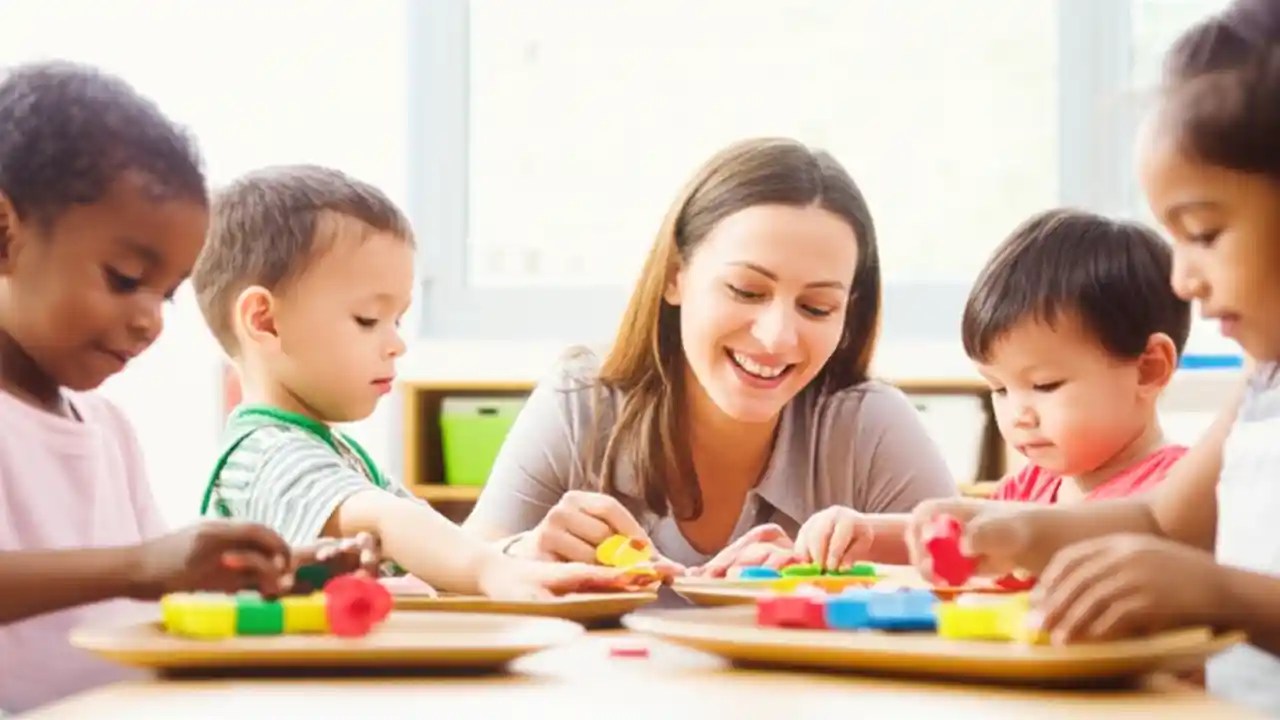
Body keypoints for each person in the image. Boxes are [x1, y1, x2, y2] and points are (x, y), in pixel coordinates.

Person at [905, 1, 1280, 714]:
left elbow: (1181, 555)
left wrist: (1216, 590)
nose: (1182, 280)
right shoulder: (1261, 390)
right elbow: (1161, 523)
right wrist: (1015, 532)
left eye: (1203, 233)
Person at [0, 61, 376, 714]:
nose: (150, 320)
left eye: (167, 294)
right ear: (6, 235)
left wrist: (267, 578)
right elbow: (139, 570)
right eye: (124, 278)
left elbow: (152, 592)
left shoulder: (108, 430)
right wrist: (142, 565)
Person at [463, 137, 957, 576]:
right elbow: (456, 573)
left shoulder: (868, 426)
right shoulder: (582, 403)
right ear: (676, 275)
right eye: (746, 290)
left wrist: (822, 585)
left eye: (816, 307)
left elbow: (971, 580)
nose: (777, 337)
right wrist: (522, 555)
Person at [193, 164, 657, 599]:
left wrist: (523, 557)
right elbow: (387, 522)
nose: (396, 343)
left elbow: (438, 552)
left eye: (398, 319)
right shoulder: (264, 456)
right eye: (368, 319)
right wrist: (491, 571)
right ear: (266, 322)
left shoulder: (335, 455)